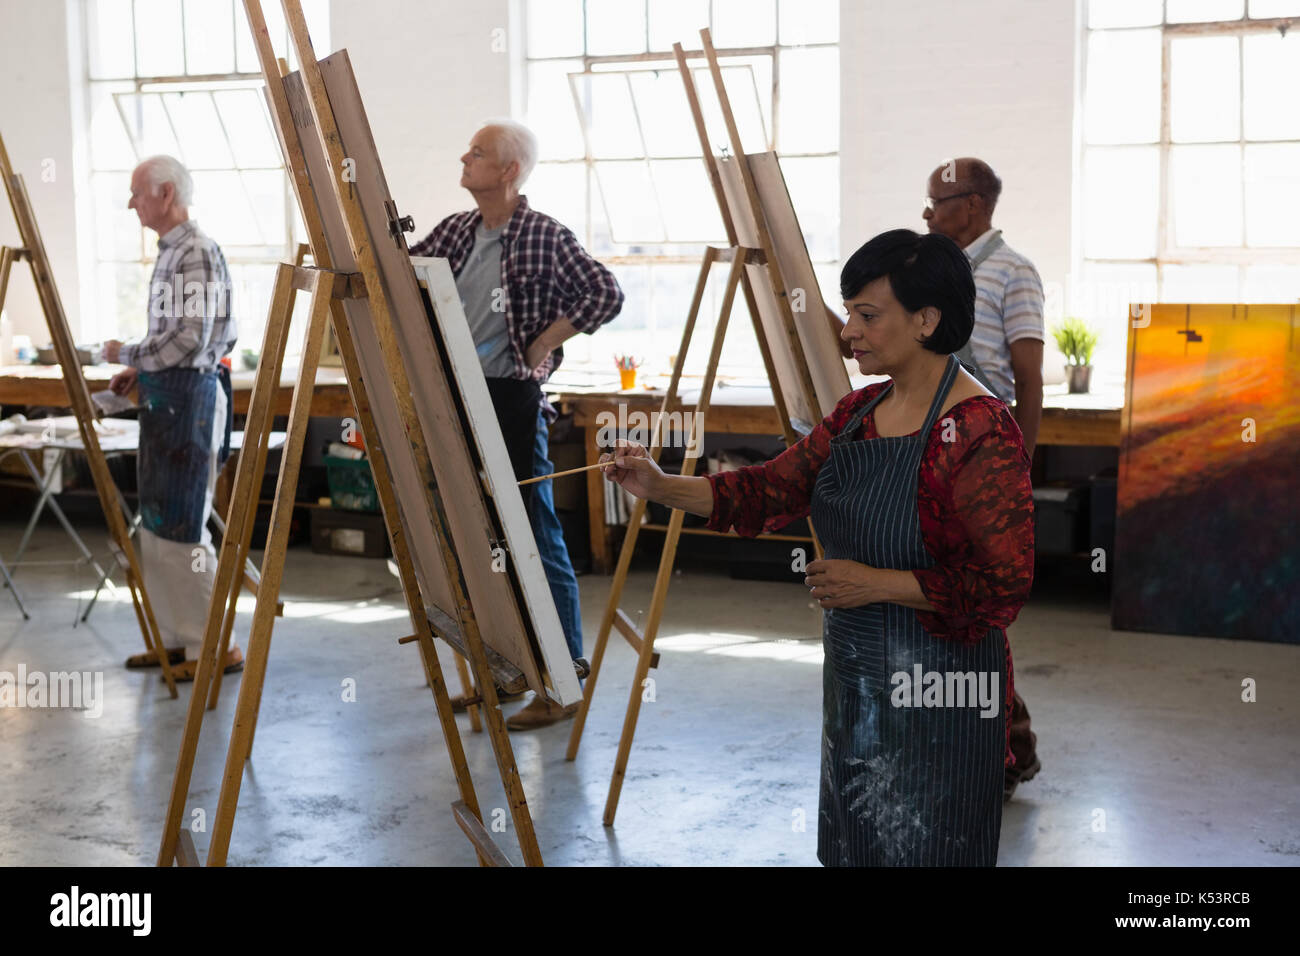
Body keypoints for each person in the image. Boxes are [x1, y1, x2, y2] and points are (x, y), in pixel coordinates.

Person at [602, 229, 1034, 865]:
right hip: (858, 684)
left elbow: (1002, 584)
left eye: (867, 315)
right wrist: (659, 485)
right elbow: (767, 491)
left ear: (926, 320)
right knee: (858, 839)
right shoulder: (859, 412)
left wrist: (877, 584)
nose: (849, 331)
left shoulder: (979, 430)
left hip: (940, 694)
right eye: (850, 312)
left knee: (928, 845)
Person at [409, 119, 624, 730]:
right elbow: (399, 277)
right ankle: (502, 674)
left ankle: (562, 680)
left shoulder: (544, 235)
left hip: (511, 398)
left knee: (533, 534)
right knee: (476, 536)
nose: (465, 156)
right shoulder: (455, 231)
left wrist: (546, 342)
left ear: (508, 171)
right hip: (455, 399)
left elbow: (605, 293)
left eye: (478, 152)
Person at [923, 157, 1044, 799]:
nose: (926, 214)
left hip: (986, 461)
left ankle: (1008, 749)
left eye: (936, 203)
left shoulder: (1013, 272)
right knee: (966, 609)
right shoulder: (937, 275)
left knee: (980, 608)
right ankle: (1012, 747)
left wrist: (1016, 470)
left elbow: (1027, 378)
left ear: (971, 206)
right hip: (941, 458)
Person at [103, 155, 241, 683]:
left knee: (183, 528)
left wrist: (127, 354)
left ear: (164, 193)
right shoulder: (171, 252)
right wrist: (140, 374)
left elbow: (191, 339)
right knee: (159, 529)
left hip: (192, 401)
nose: (132, 203)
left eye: (137, 193)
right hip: (169, 397)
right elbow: (180, 339)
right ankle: (179, 645)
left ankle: (214, 647)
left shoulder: (195, 252)